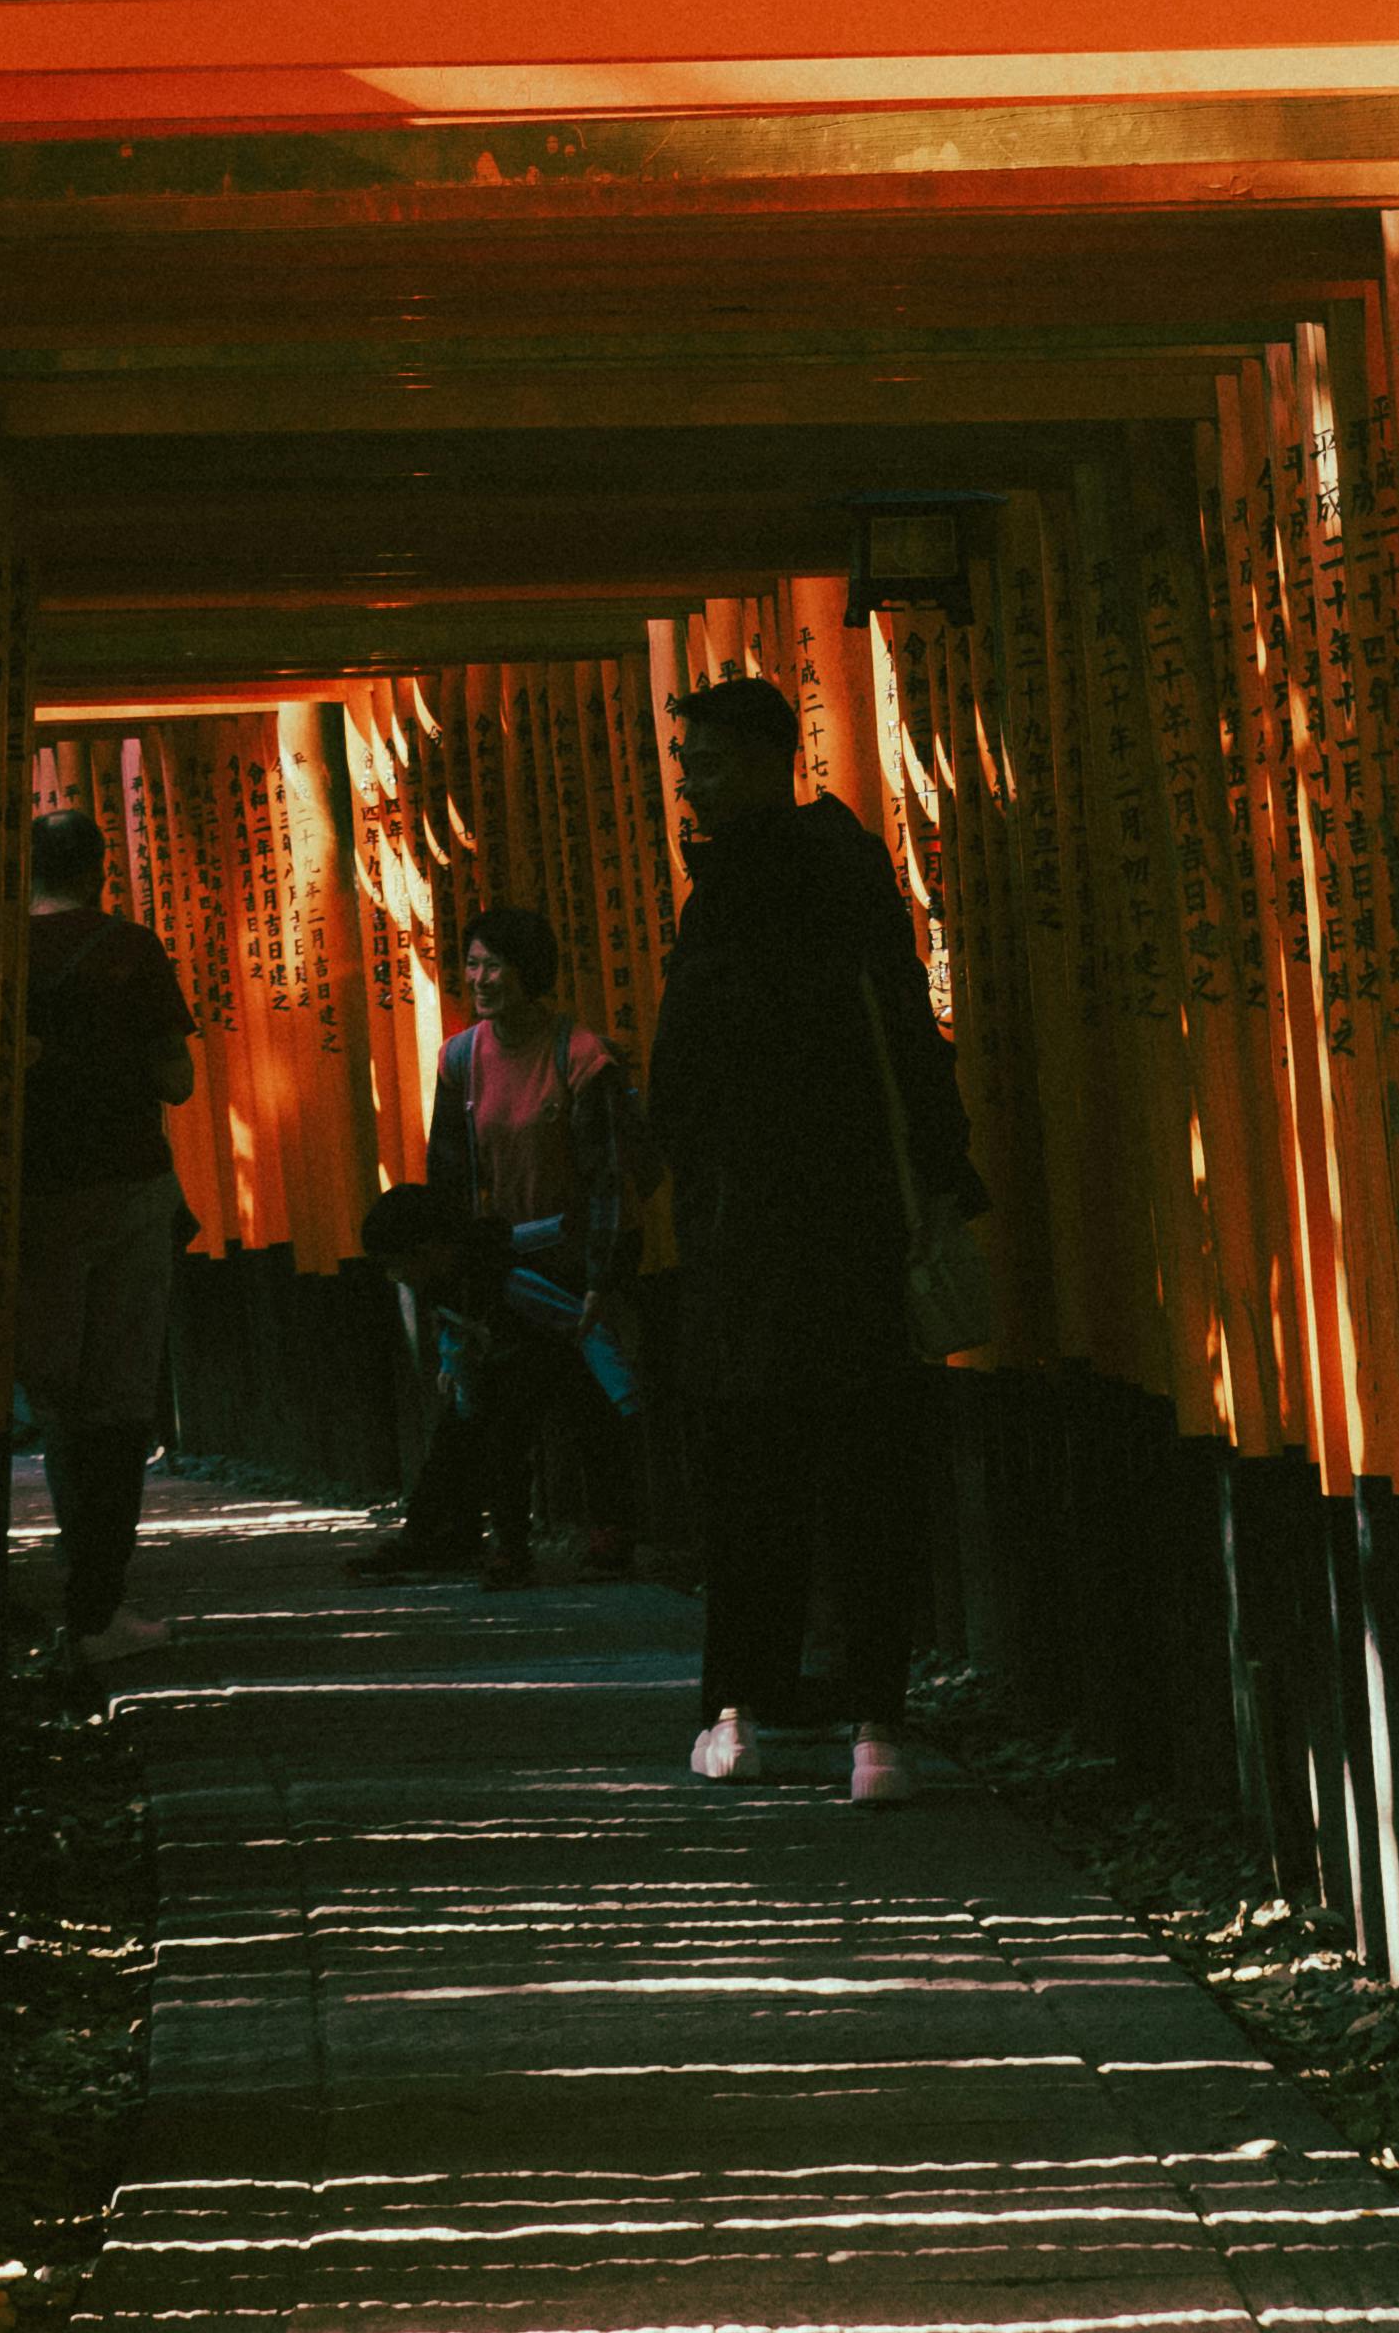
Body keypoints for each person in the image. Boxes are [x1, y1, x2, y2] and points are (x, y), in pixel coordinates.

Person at [647, 668, 982, 1805]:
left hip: (754, 1244)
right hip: (858, 1236)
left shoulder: (730, 893)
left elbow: (682, 1083)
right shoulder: (853, 876)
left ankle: (743, 1712)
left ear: (752, 759)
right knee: (868, 1478)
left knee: (751, 1482)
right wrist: (939, 1184)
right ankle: (877, 1729)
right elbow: (910, 1034)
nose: (685, 781)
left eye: (697, 759)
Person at [351, 899, 650, 1584]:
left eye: (496, 965)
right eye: (473, 964)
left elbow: (606, 1180)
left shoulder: (580, 1056)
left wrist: (602, 1277)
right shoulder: (461, 1057)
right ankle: (502, 1540)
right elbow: (449, 1174)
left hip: (574, 1255)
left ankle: (610, 1528)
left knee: (591, 1399)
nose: (480, 978)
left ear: (530, 972)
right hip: (499, 1257)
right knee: (500, 1404)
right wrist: (454, 1272)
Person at [17, 802, 198, 1695]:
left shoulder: (1, 949)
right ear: (99, 868)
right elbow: (177, 1077)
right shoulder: (129, 948)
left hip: (33, 1198)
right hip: (126, 1188)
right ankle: (100, 1607)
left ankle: (74, 1607)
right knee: (120, 1397)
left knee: (58, 1398)